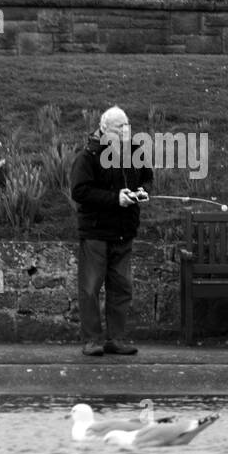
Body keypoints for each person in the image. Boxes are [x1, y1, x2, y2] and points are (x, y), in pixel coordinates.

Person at [70, 106, 153, 357]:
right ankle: (92, 340)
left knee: (122, 288)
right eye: (120, 128)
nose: (126, 131)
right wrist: (115, 198)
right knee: (91, 288)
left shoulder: (135, 151)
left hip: (124, 231)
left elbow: (147, 177)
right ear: (104, 129)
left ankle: (116, 339)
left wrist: (141, 191)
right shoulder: (88, 156)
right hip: (96, 232)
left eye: (127, 125)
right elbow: (80, 191)